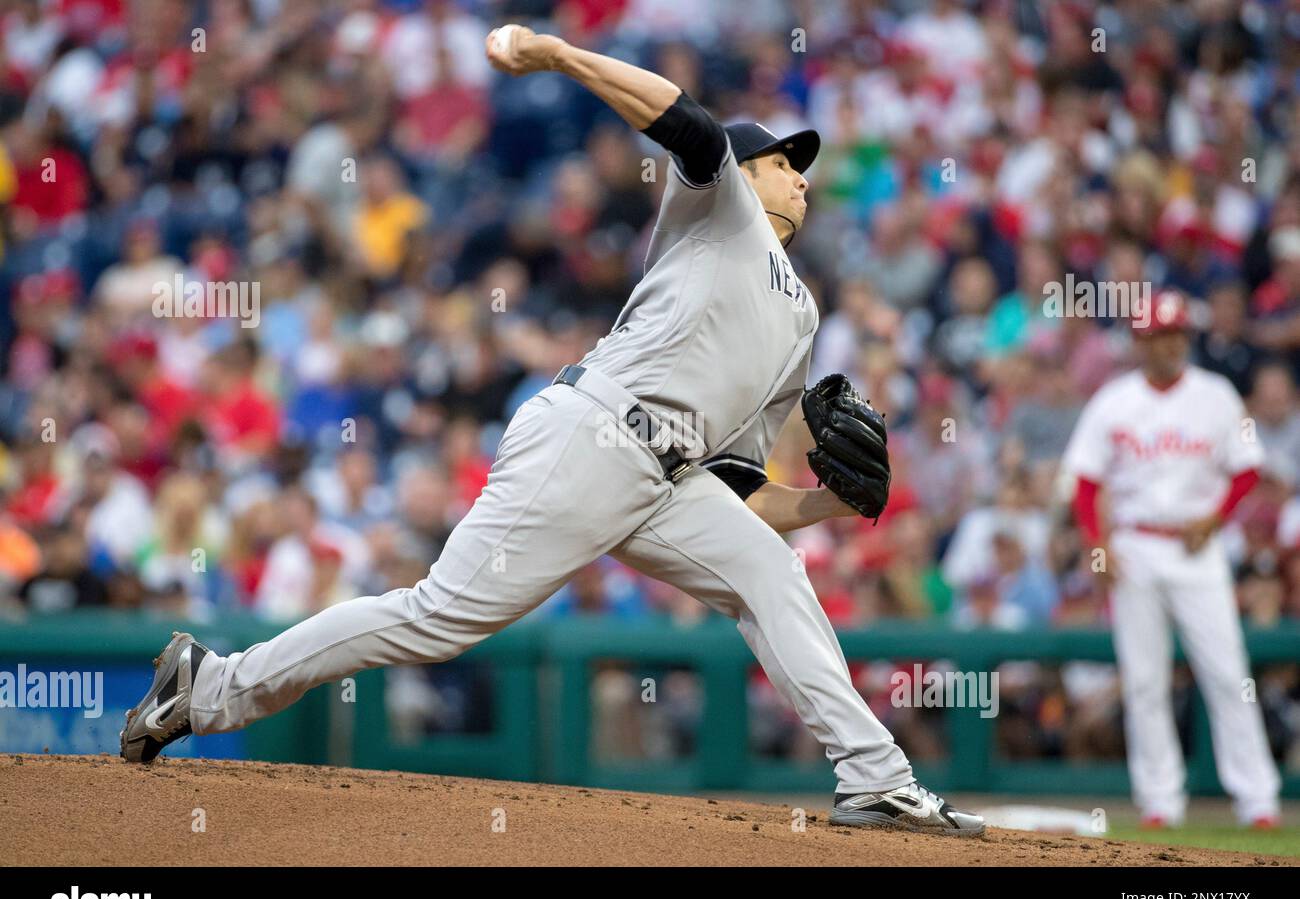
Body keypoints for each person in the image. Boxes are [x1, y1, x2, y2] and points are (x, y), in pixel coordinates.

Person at [119, 23, 985, 837]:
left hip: (669, 481)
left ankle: (874, 776)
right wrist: (558, 53)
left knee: (769, 570)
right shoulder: (724, 212)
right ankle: (212, 687)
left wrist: (830, 506)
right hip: (594, 435)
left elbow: (739, 488)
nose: (798, 172)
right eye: (781, 159)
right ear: (746, 172)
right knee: (439, 618)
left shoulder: (802, 317)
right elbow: (686, 122)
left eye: (804, 165)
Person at [1062, 290, 1281, 829]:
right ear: (1141, 342)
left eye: (1176, 334)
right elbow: (1085, 483)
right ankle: (1160, 800)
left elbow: (1247, 468)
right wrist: (1097, 543)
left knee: (1228, 674)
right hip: (1136, 545)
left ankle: (1259, 801)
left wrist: (1216, 518)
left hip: (1197, 546)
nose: (1169, 344)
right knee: (1144, 680)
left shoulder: (1217, 395)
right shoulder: (1113, 401)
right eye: (1158, 336)